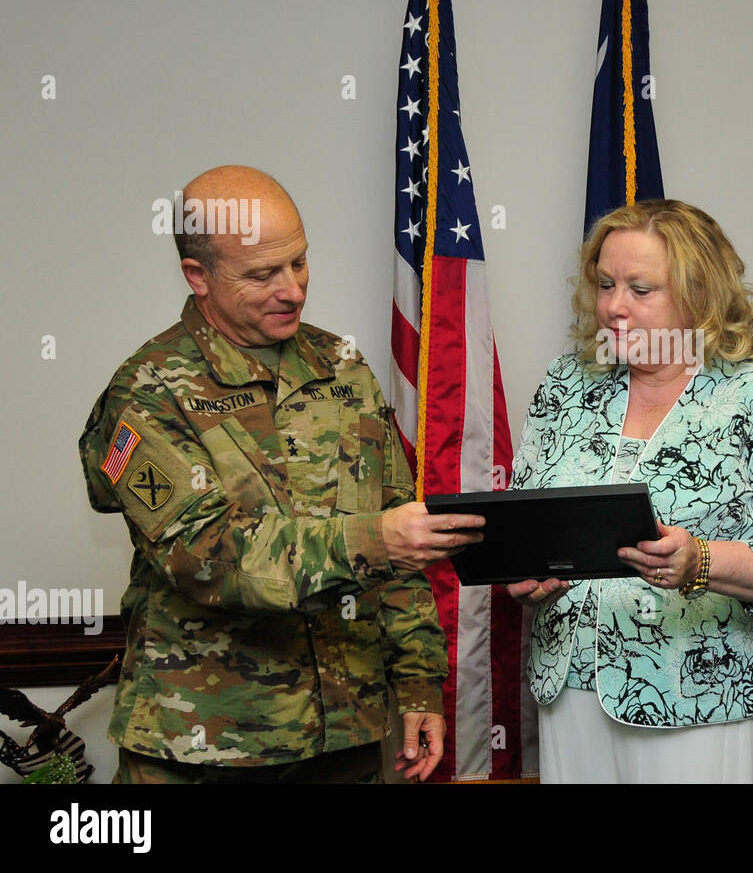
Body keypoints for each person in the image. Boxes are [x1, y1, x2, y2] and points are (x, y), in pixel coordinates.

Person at [79, 165, 484, 783]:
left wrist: (419, 682)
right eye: (263, 274)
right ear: (199, 277)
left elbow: (404, 537)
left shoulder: (341, 367)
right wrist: (371, 538)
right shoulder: (147, 394)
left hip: (347, 734)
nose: (292, 289)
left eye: (299, 263)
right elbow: (208, 557)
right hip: (205, 746)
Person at [506, 199, 753, 783]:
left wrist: (700, 560)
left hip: (711, 695)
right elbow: (530, 517)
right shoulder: (566, 384)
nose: (614, 307)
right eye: (606, 284)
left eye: (641, 289)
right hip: (574, 693)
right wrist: (525, 572)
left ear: (699, 294)